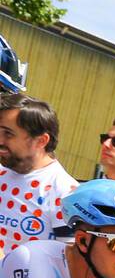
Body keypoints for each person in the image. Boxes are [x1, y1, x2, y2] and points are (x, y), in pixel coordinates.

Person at [0, 94, 77, 256]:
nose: (0, 140)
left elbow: (72, 262)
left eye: (8, 134)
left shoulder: (65, 192)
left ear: (41, 141)